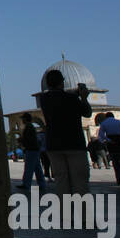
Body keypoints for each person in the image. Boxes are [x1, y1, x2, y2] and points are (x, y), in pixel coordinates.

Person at [36, 69, 91, 198]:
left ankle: (65, 215)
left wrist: (74, 94)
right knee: (79, 182)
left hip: (54, 146)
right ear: (62, 82)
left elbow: (58, 96)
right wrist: (83, 98)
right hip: (74, 144)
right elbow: (87, 112)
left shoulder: (44, 99)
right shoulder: (72, 98)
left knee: (61, 182)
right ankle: (83, 216)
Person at [98, 112, 120, 186]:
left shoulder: (104, 123)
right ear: (113, 116)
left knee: (115, 161)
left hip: (112, 143)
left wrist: (108, 140)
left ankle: (119, 179)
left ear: (106, 117)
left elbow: (101, 135)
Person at [18, 112, 47, 190]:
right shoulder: (31, 127)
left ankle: (26, 184)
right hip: (35, 150)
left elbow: (28, 139)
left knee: (29, 168)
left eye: (23, 118)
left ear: (25, 119)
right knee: (37, 168)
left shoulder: (28, 127)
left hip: (31, 150)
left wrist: (21, 140)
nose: (22, 120)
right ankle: (42, 184)